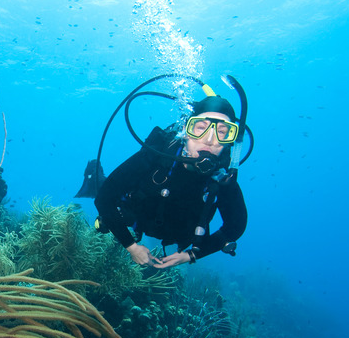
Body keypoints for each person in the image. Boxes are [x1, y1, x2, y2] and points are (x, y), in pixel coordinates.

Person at [94, 94, 247, 268]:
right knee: (106, 193)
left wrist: (191, 255)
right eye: (200, 128)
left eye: (222, 132)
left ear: (230, 142)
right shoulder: (155, 156)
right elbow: (104, 198)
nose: (210, 139)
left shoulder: (222, 179)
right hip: (136, 217)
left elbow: (237, 225)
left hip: (179, 235)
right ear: (185, 131)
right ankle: (94, 175)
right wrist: (131, 246)